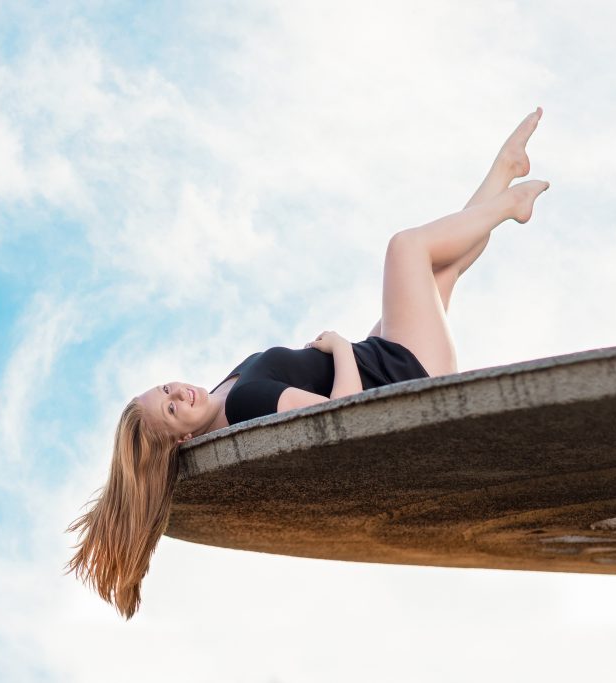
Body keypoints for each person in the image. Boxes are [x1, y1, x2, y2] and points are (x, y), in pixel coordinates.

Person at [65, 107, 551, 620]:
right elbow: (341, 421)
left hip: (381, 355)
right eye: (171, 409)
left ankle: (504, 172)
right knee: (406, 248)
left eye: (166, 389)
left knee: (441, 268)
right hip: (404, 370)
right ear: (182, 439)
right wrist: (339, 346)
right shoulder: (245, 404)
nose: (179, 393)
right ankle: (509, 203)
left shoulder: (223, 396)